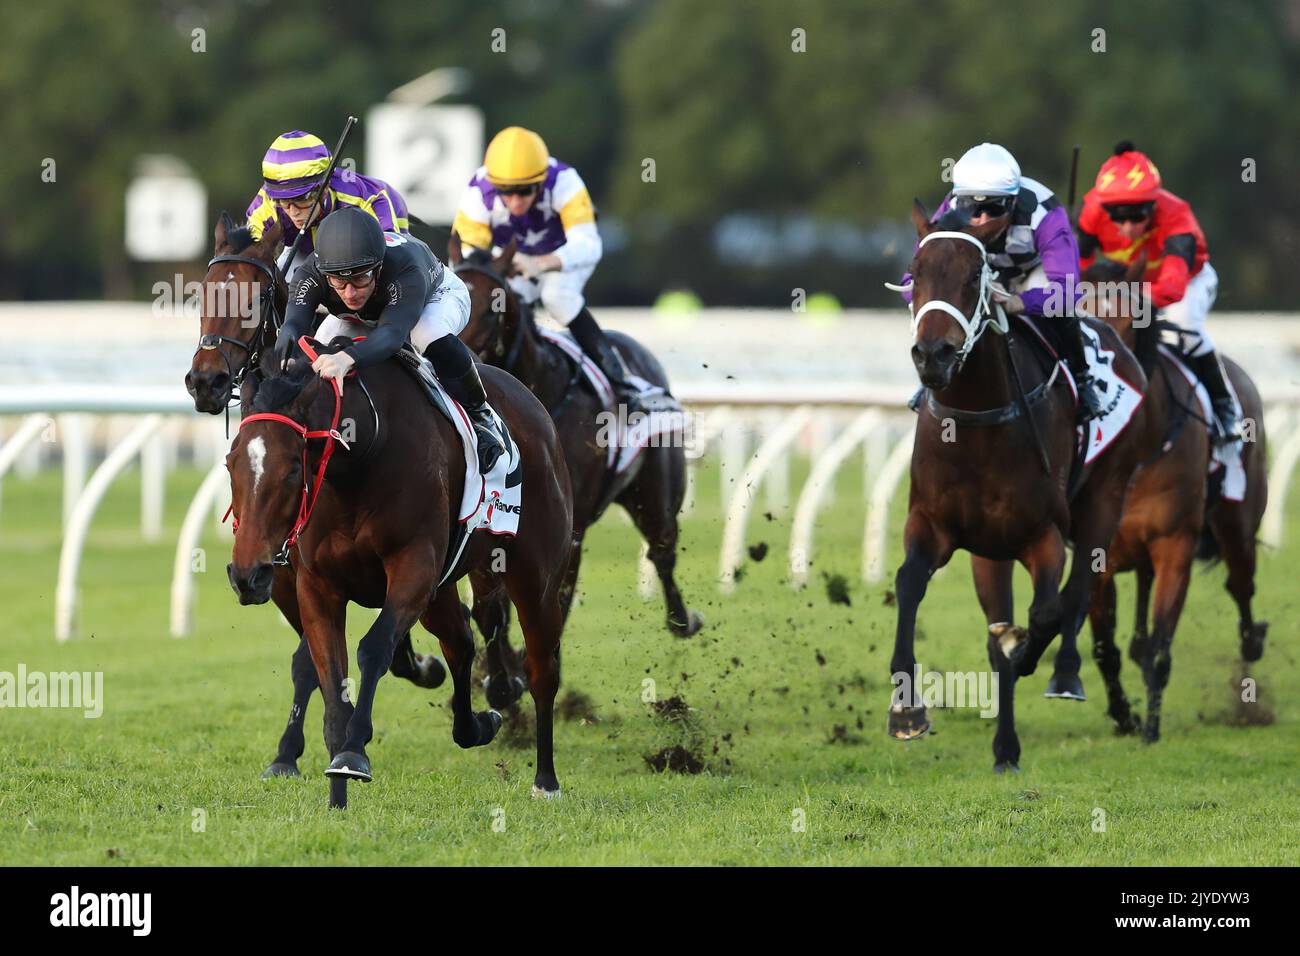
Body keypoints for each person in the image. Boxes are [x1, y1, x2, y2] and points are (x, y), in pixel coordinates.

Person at [273, 208, 502, 473]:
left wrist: (347, 358)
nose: (349, 292)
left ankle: (481, 416)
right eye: (338, 280)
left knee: (425, 334)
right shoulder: (310, 273)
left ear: (379, 268)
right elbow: (293, 326)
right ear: (324, 273)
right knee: (321, 344)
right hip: (367, 314)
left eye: (360, 278)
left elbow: (393, 335)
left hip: (433, 296)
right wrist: (285, 352)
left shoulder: (405, 269)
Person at [899, 142, 1104, 420]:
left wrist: (1020, 301)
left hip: (1033, 272)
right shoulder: (952, 208)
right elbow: (915, 278)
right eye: (973, 208)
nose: (982, 219)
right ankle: (933, 381)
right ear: (961, 200)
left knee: (1059, 311)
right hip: (982, 270)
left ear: (1013, 201)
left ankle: (1081, 377)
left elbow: (1066, 293)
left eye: (995, 209)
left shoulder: (1045, 213)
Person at [451, 126, 641, 412]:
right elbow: (469, 257)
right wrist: (501, 264)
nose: (515, 202)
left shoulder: (565, 181)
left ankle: (619, 381)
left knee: (557, 297)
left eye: (525, 191)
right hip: (510, 264)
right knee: (495, 303)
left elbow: (589, 244)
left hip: (563, 259)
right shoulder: (479, 189)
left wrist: (539, 263)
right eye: (506, 192)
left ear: (541, 182)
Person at [1077, 141, 1240, 443]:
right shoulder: (1092, 210)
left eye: (1137, 216)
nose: (1126, 227)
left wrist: (1127, 302)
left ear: (1153, 206)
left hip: (1189, 283)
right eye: (1117, 216)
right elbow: (1076, 267)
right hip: (1128, 287)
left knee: (1185, 325)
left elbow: (1172, 287)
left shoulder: (1177, 217)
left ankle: (1224, 406)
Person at [247, 130, 410, 281]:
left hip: (365, 250)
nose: (293, 211)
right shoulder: (265, 205)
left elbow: (393, 263)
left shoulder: (368, 200)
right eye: (283, 200)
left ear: (324, 188)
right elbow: (247, 262)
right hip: (304, 253)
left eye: (302, 199)